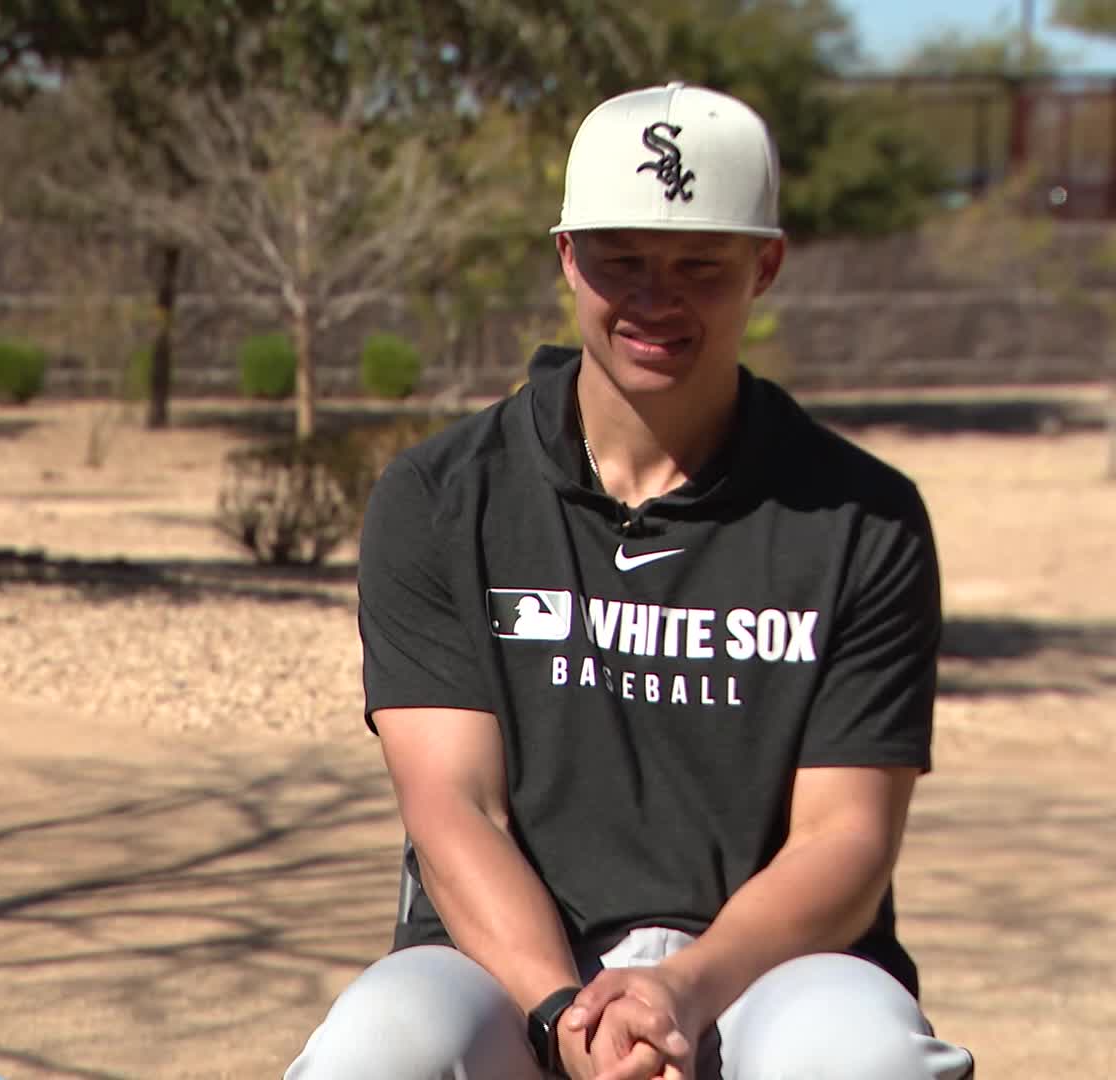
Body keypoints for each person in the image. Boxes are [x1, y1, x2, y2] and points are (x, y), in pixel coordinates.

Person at [285, 84, 977, 1080]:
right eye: (622, 260)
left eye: (700, 265)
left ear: (765, 266)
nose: (657, 299)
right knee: (375, 1051)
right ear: (568, 256)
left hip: (767, 969)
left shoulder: (862, 518)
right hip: (501, 967)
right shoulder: (440, 496)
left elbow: (846, 836)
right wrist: (561, 1013)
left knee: (868, 1058)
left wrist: (681, 991)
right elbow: (454, 806)